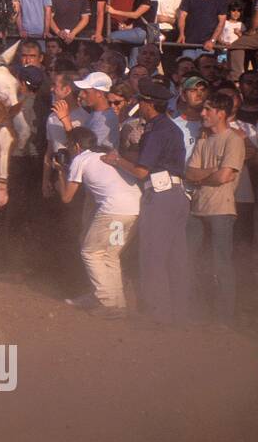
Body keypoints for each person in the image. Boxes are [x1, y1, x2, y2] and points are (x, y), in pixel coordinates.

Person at [102, 78, 189, 324]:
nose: (139, 104)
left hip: (160, 195)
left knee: (153, 255)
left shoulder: (155, 130)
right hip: (177, 194)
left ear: (148, 104)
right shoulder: (170, 127)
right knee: (176, 257)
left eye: (141, 101)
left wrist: (116, 160)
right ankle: (181, 312)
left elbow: (141, 171)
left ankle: (158, 313)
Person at [53, 129, 140, 319]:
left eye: (69, 145)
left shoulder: (80, 159)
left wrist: (59, 173)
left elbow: (67, 197)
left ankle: (106, 301)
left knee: (90, 252)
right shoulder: (105, 156)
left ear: (77, 146)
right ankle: (117, 301)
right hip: (134, 209)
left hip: (113, 209)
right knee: (110, 255)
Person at [185, 90, 246, 325]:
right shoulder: (203, 140)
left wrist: (202, 176)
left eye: (208, 109)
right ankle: (197, 310)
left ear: (221, 113)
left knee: (221, 264)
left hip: (221, 209)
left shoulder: (234, 140)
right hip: (198, 208)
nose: (202, 113)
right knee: (191, 260)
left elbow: (224, 177)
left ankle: (223, 317)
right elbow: (189, 173)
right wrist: (211, 172)